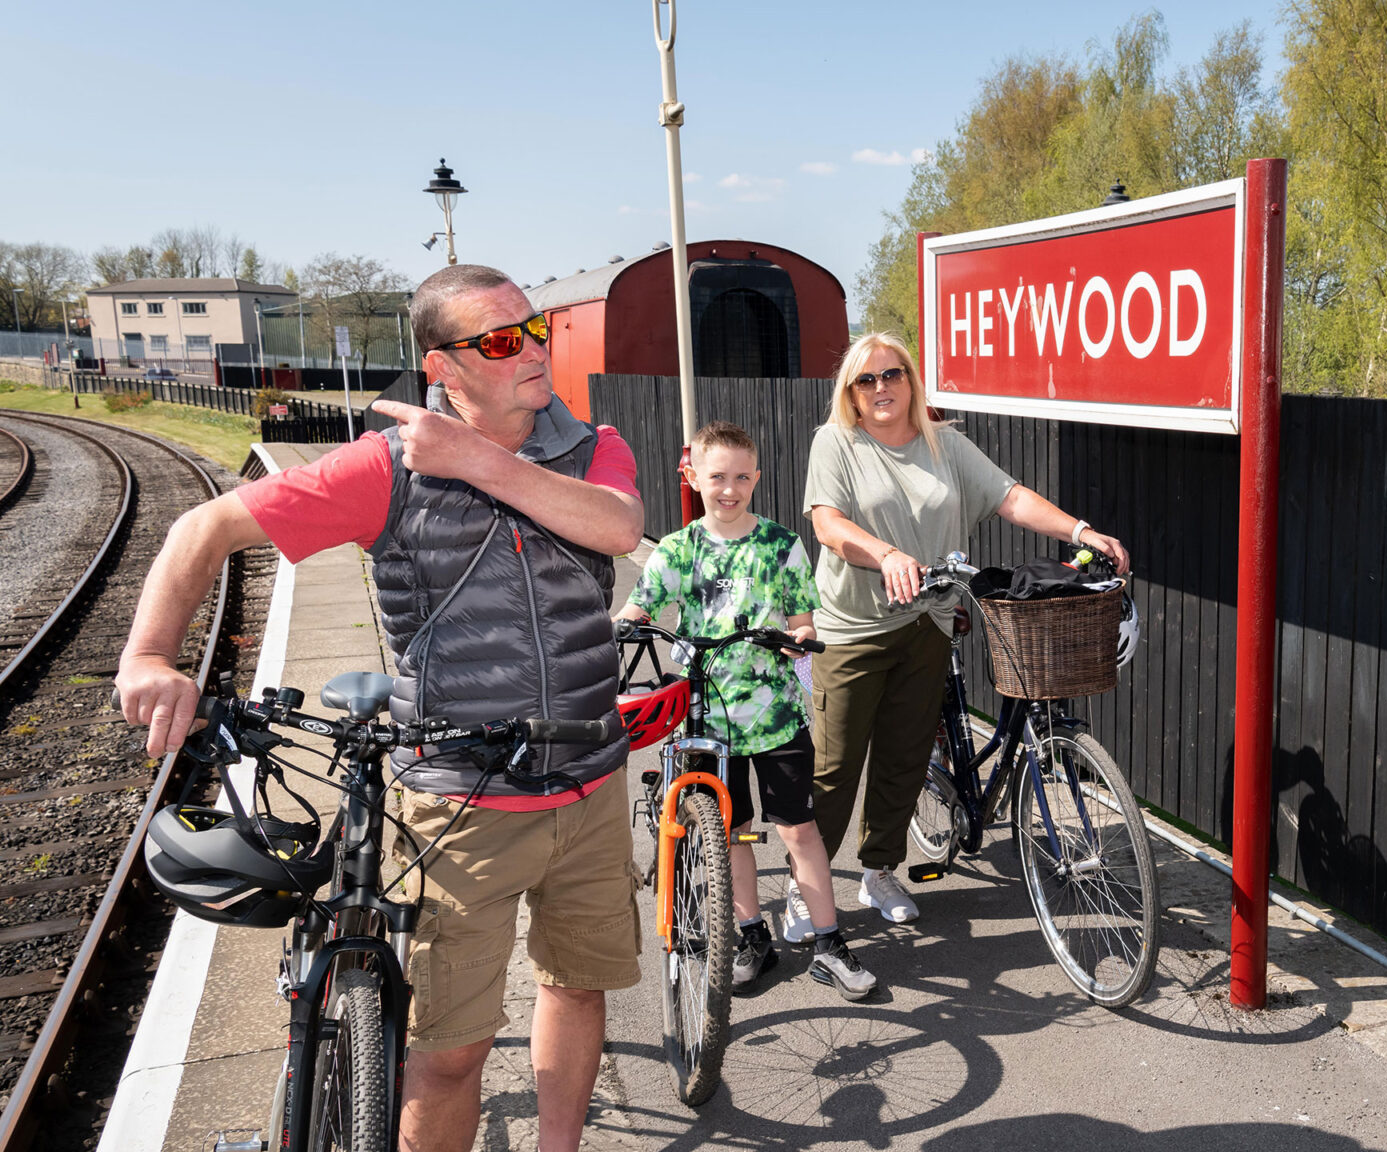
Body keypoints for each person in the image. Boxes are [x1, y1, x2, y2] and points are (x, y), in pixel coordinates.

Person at [114, 265, 644, 1152]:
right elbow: (200, 530)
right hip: (461, 804)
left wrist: (477, 458)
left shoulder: (593, 447)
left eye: (537, 327)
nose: (535, 350)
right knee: (448, 1051)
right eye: (502, 339)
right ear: (443, 368)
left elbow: (619, 527)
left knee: (576, 988)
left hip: (590, 781)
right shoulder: (383, 471)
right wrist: (148, 656)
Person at [801, 331, 1130, 928]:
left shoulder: (944, 443)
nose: (881, 388)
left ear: (911, 379)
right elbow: (828, 523)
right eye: (866, 379)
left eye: (892, 374)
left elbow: (1009, 497)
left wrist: (1079, 531)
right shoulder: (836, 442)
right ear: (850, 391)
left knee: (903, 758)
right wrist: (885, 554)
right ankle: (810, 885)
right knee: (835, 765)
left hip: (928, 619)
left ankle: (877, 873)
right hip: (853, 627)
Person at [614, 420, 876, 1000]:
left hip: (777, 715)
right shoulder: (679, 550)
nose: (728, 489)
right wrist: (622, 629)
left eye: (740, 478)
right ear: (693, 478)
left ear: (756, 478)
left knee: (799, 829)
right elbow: (641, 603)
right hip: (707, 720)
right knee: (731, 834)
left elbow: (804, 619)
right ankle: (752, 934)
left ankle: (829, 942)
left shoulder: (781, 545)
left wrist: (798, 637)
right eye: (716, 478)